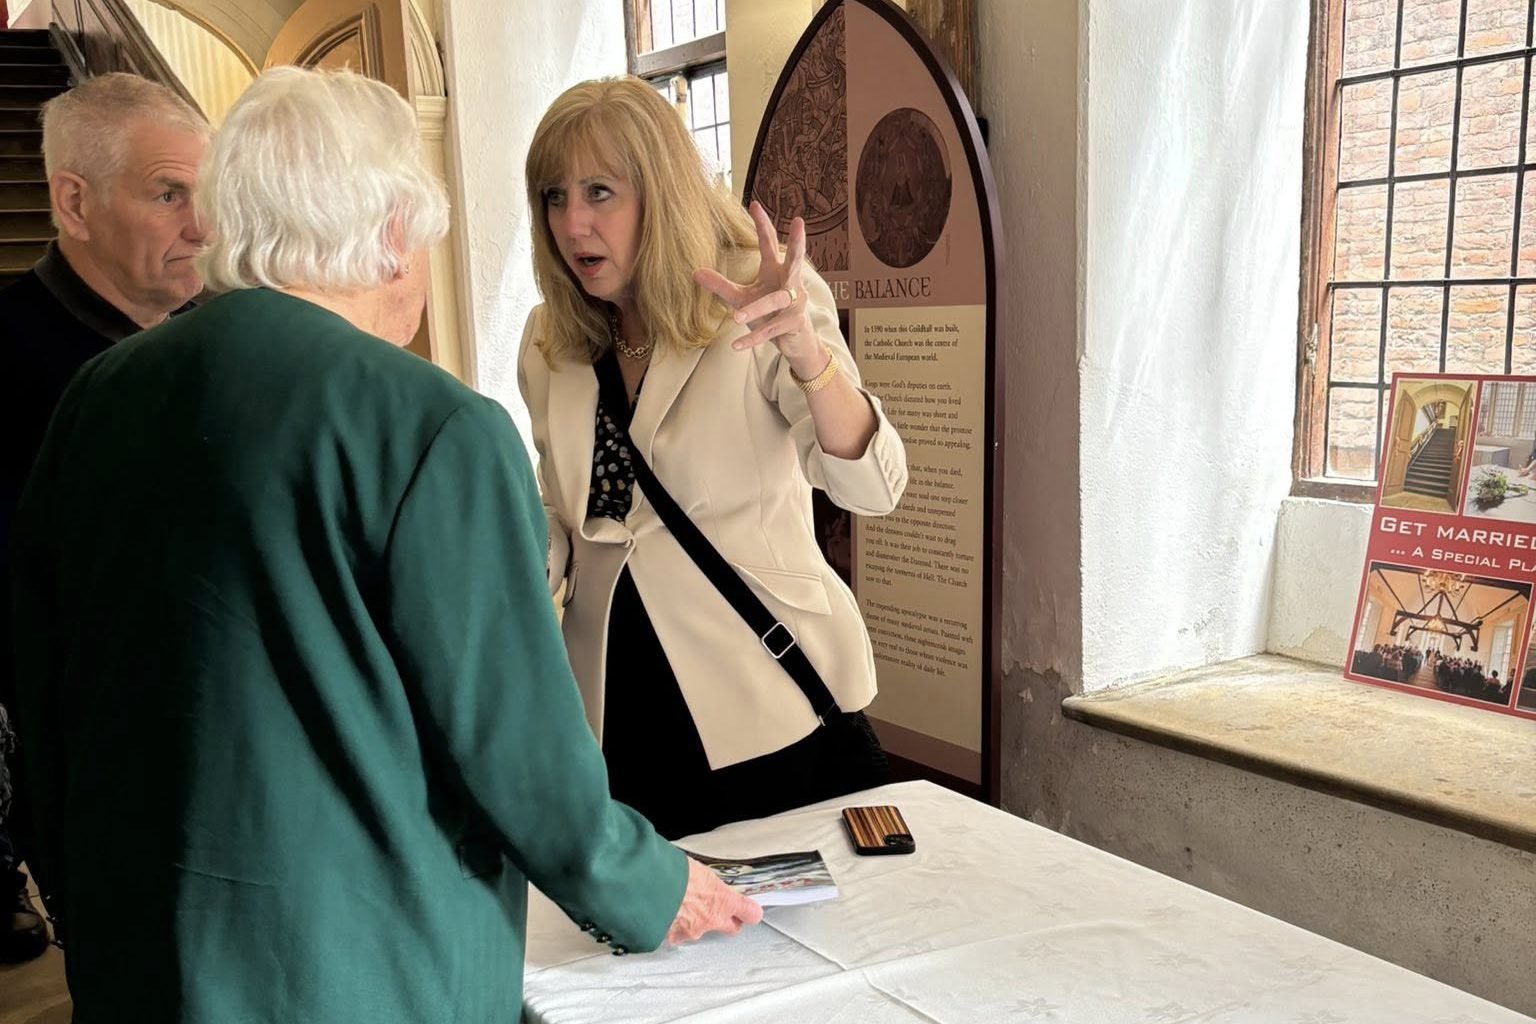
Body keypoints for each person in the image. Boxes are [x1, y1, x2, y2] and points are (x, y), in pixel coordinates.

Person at [9, 67, 758, 1024]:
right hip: (355, 962)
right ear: (395, 234)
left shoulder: (99, 395)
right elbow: (513, 741)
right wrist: (649, 886)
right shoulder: (431, 426)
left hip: (137, 947)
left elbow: (40, 676)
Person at [518, 77, 909, 840]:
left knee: (787, 907)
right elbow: (567, 512)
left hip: (759, 690)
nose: (572, 223)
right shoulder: (549, 340)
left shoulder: (754, 297)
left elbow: (872, 486)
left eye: (600, 193)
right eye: (554, 197)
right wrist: (515, 557)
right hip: (613, 703)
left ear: (660, 193)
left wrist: (807, 354)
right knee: (660, 914)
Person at [0, 71, 209, 963]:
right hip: (97, 785)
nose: (202, 227)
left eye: (207, 193)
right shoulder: (8, 357)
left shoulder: (227, 338)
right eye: (169, 196)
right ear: (74, 204)